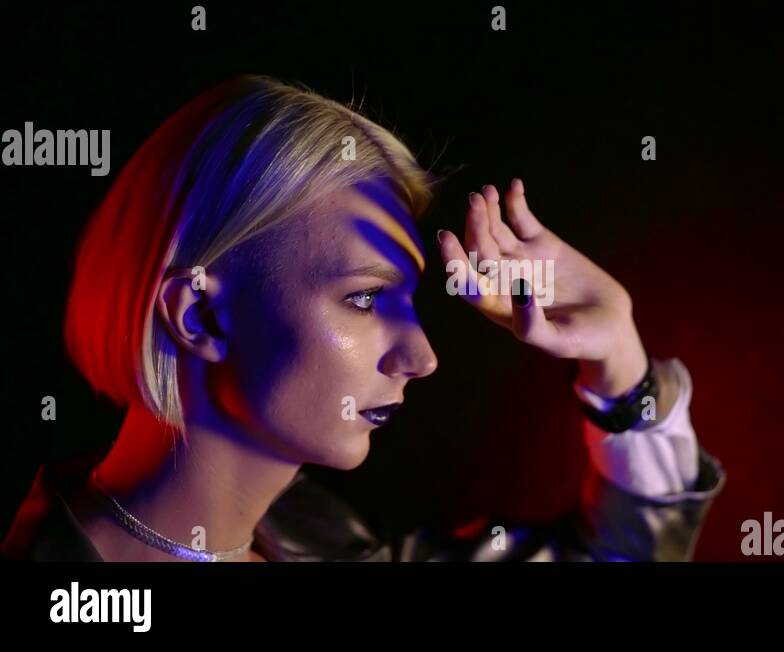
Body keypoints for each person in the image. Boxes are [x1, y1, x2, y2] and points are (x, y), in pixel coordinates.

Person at [2, 75, 724, 562]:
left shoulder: (318, 536)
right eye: (364, 298)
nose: (423, 356)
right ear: (198, 315)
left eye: (408, 301)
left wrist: (618, 359)